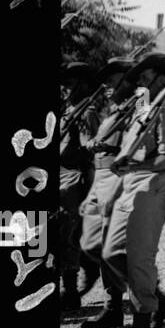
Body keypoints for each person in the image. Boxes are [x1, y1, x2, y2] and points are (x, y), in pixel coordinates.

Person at [100, 53, 165, 328]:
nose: (140, 83)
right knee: (110, 252)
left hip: (152, 184)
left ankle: (141, 325)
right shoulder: (142, 112)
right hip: (130, 184)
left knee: (139, 256)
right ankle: (159, 300)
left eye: (146, 78)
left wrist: (131, 161)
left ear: (163, 79)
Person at [78, 57, 135, 328]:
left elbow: (137, 145)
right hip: (99, 177)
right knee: (90, 243)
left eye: (114, 80)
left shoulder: (137, 109)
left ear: (129, 80)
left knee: (109, 243)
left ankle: (116, 305)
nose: (108, 86)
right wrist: (91, 143)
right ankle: (143, 291)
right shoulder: (112, 112)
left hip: (116, 176)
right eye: (107, 81)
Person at [58, 61, 98, 311]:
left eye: (69, 84)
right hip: (58, 174)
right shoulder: (66, 109)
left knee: (66, 233)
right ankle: (86, 268)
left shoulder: (87, 111)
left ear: (83, 85)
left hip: (73, 177)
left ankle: (70, 291)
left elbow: (89, 146)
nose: (64, 89)